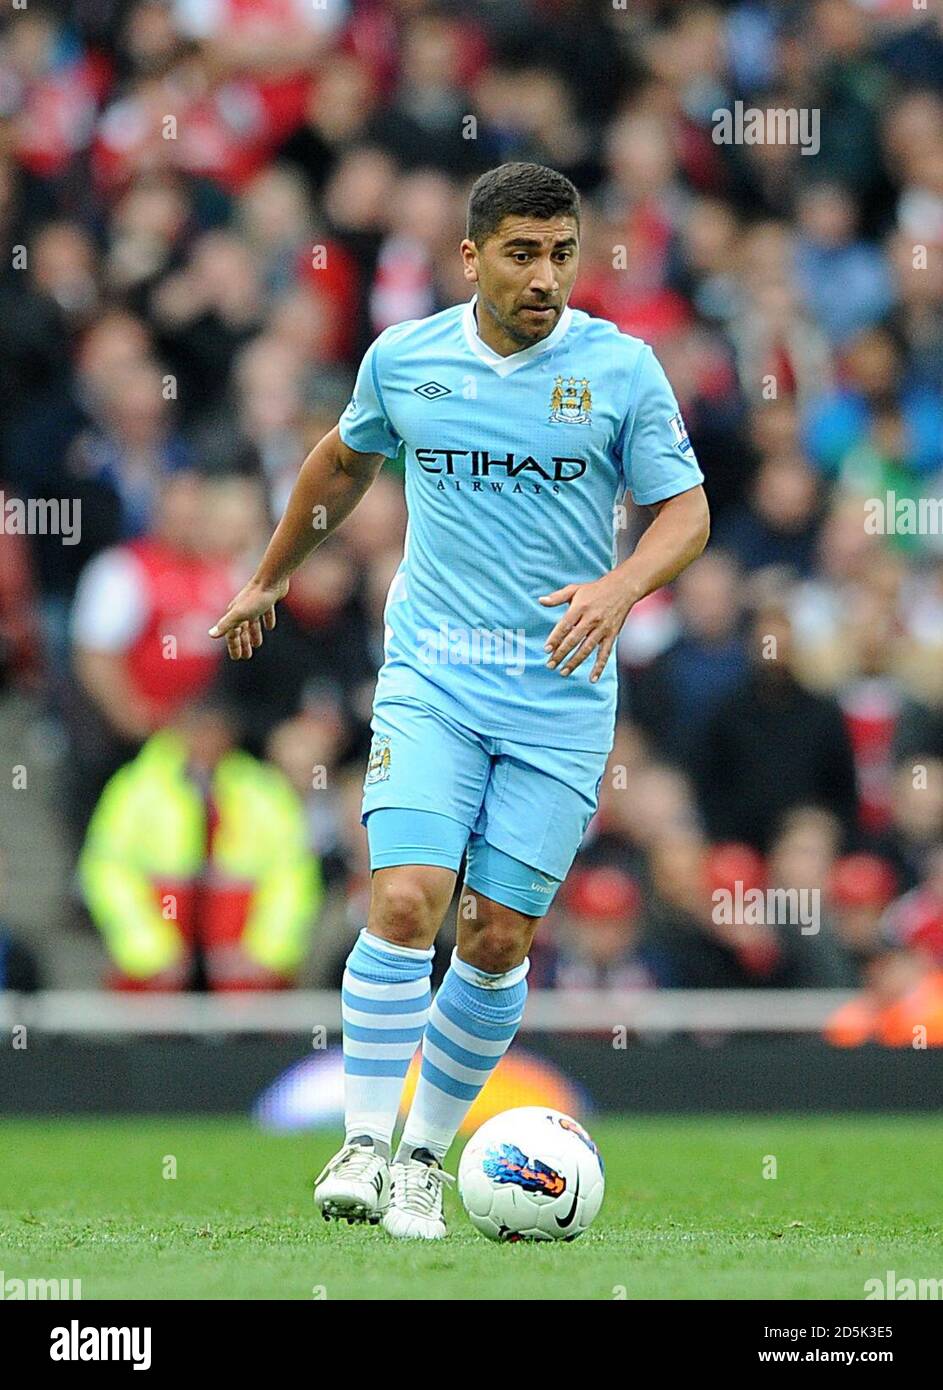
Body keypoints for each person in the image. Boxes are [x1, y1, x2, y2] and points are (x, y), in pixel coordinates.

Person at [210, 163, 709, 1238]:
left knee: (494, 934)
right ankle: (358, 1139)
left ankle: (422, 1160)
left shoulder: (619, 370)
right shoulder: (407, 358)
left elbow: (685, 512)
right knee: (406, 898)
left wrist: (622, 586)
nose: (545, 276)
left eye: (563, 253)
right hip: (434, 671)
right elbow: (342, 464)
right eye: (523, 253)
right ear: (471, 255)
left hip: (560, 698)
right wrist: (272, 572)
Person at [78, 697, 321, 992]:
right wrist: (148, 951)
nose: (206, 741)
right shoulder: (137, 789)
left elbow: (293, 877)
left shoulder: (265, 793)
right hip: (155, 975)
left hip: (243, 974)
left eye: (215, 731)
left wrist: (267, 953)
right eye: (198, 730)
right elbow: (106, 871)